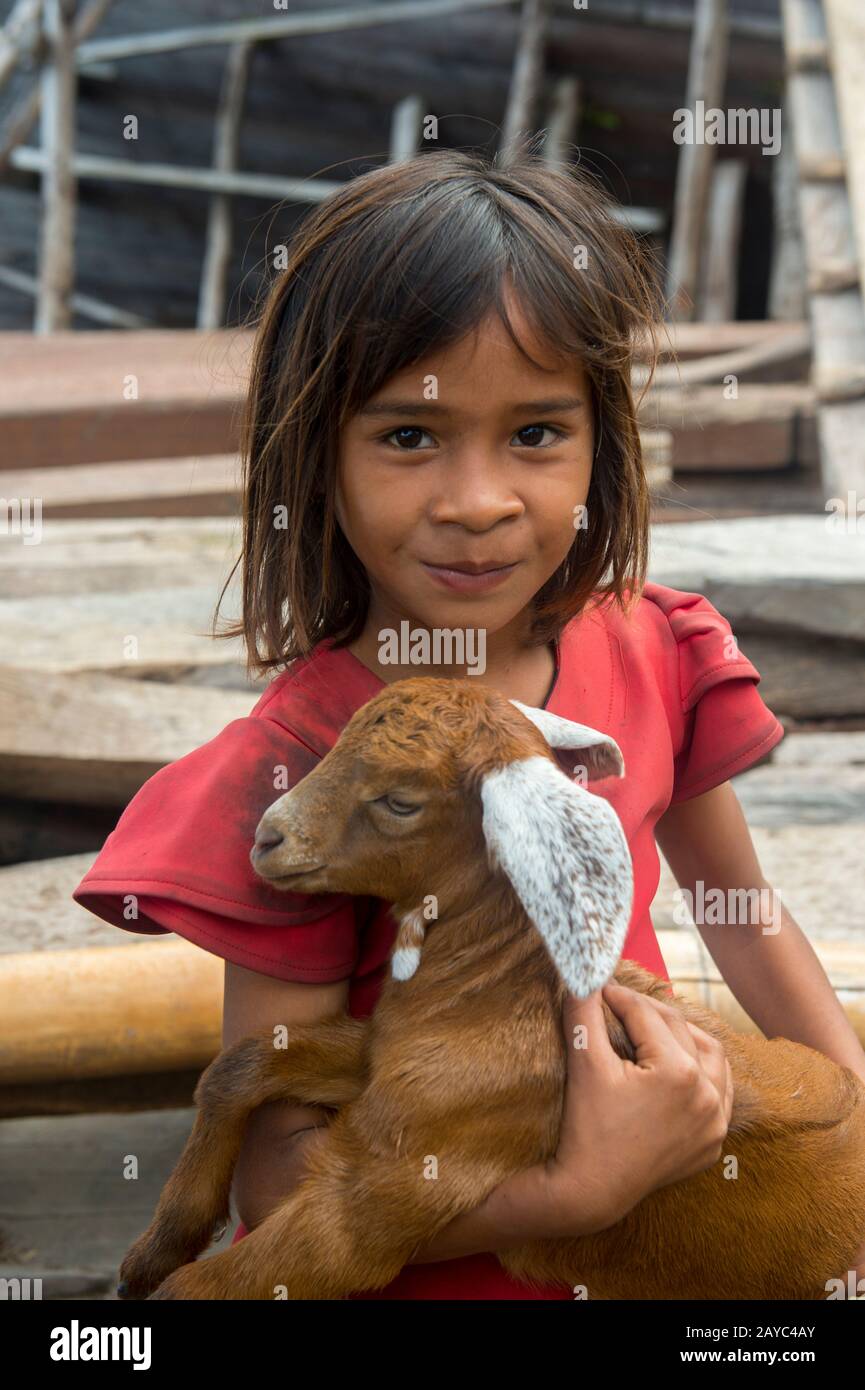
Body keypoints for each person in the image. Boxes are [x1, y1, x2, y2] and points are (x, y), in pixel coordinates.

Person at [74, 149, 865, 1300]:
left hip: (672, 1249)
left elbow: (743, 917)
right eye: (409, 438)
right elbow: (281, 1189)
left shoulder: (652, 650)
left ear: (602, 440)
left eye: (536, 434)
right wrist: (568, 1192)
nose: (478, 501)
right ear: (317, 455)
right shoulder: (298, 769)